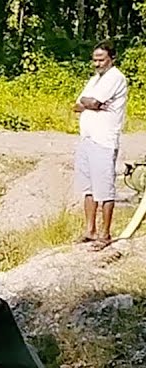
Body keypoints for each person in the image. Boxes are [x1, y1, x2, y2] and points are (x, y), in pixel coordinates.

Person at [73, 41, 129, 250]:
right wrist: (91, 104)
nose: (97, 63)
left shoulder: (116, 77)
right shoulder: (95, 79)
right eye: (94, 59)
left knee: (104, 188)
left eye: (101, 59)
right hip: (87, 138)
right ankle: (90, 230)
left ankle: (105, 234)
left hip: (104, 140)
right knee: (88, 188)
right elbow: (79, 103)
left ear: (111, 59)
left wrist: (92, 104)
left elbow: (93, 103)